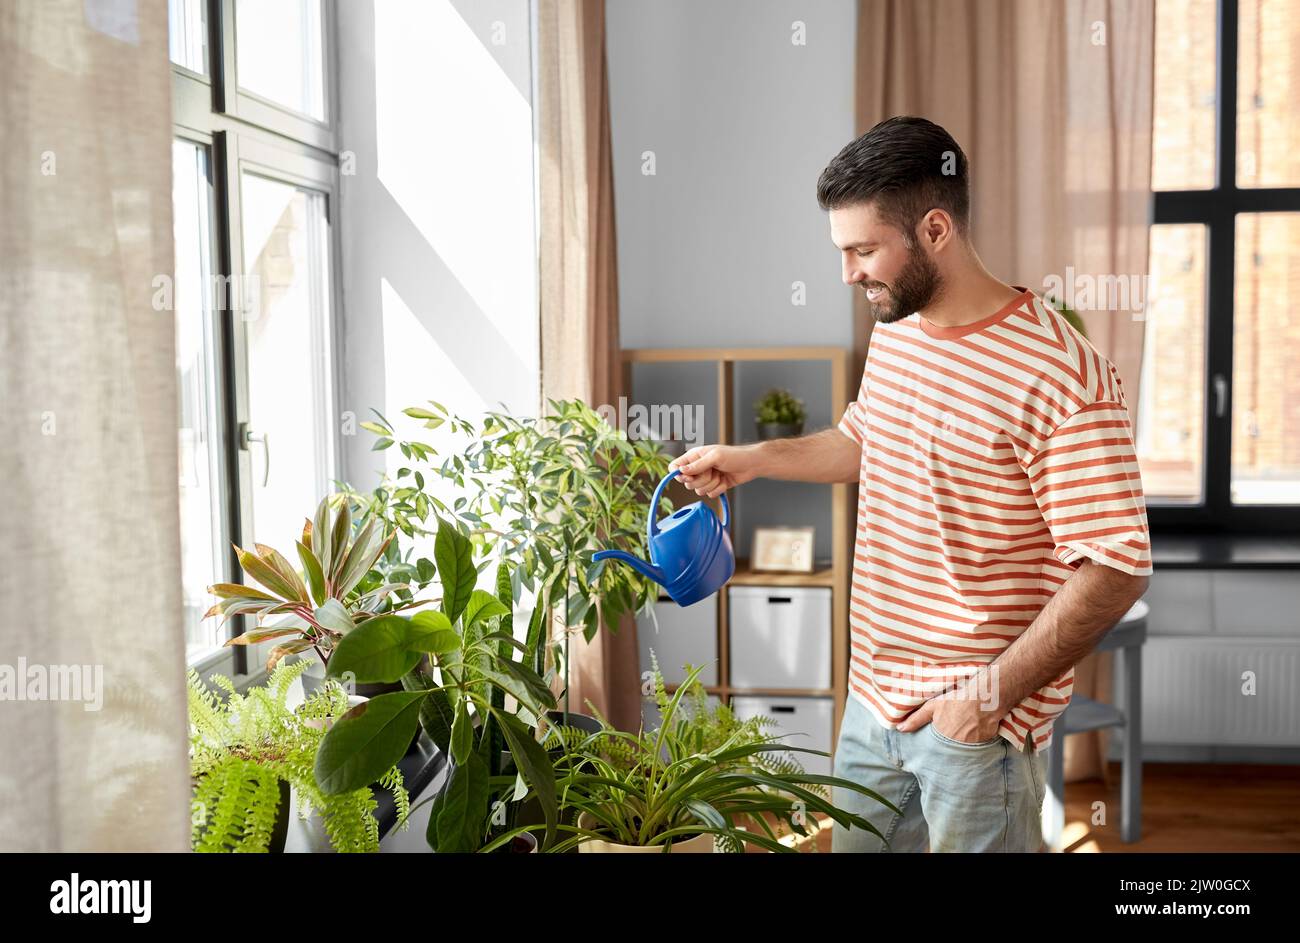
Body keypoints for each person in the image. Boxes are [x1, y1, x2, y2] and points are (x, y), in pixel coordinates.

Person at [668, 116, 1152, 853]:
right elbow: (865, 438)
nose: (848, 273)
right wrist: (754, 457)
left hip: (972, 729)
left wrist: (985, 702)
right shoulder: (900, 327)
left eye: (864, 250)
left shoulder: (1061, 373)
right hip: (871, 705)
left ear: (934, 229)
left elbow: (1116, 564)